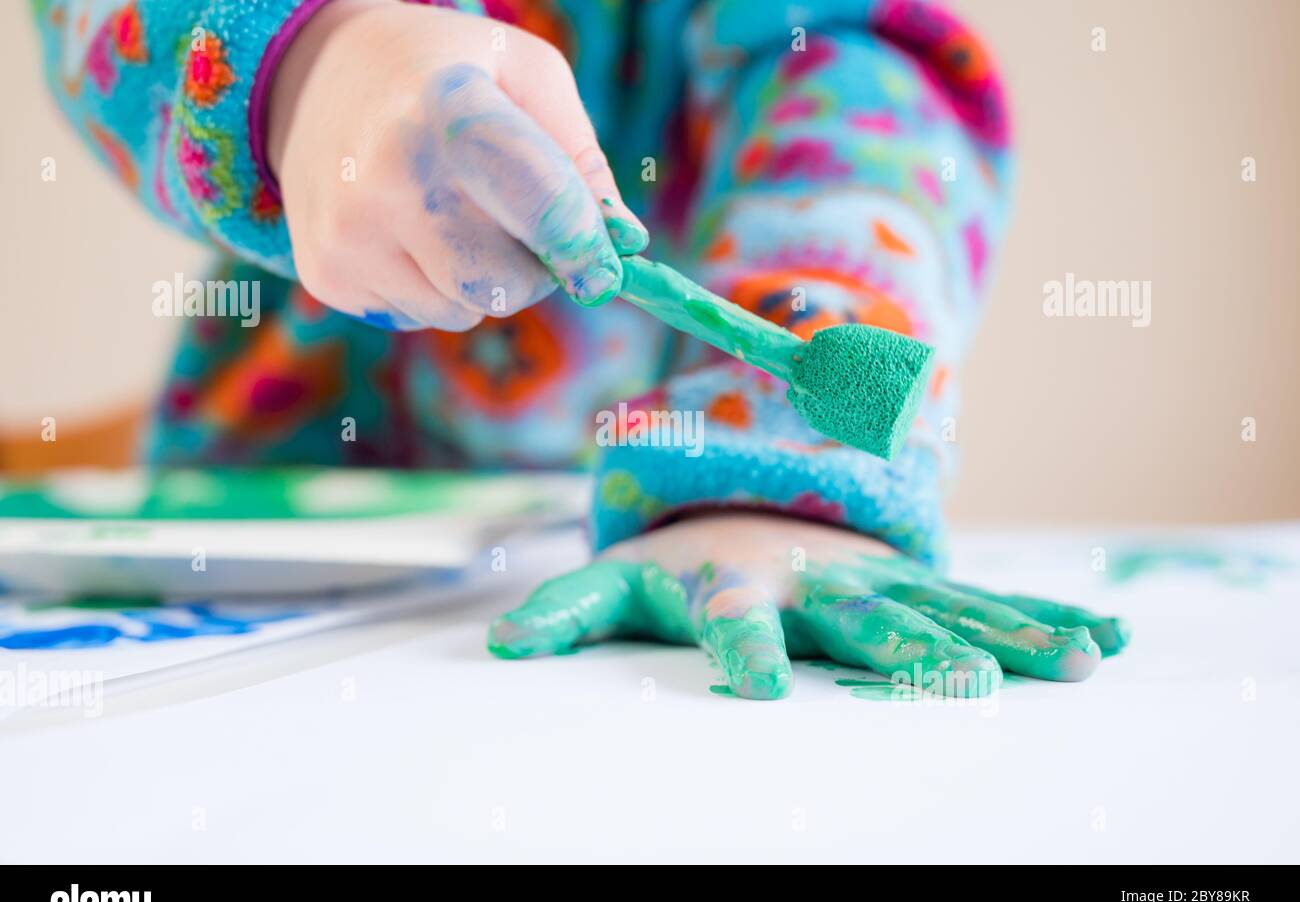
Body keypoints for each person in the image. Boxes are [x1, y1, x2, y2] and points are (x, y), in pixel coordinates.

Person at [32, 0, 1129, 699]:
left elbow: (860, 104)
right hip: (257, 557)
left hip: (626, 554)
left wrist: (766, 479)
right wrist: (308, 57)